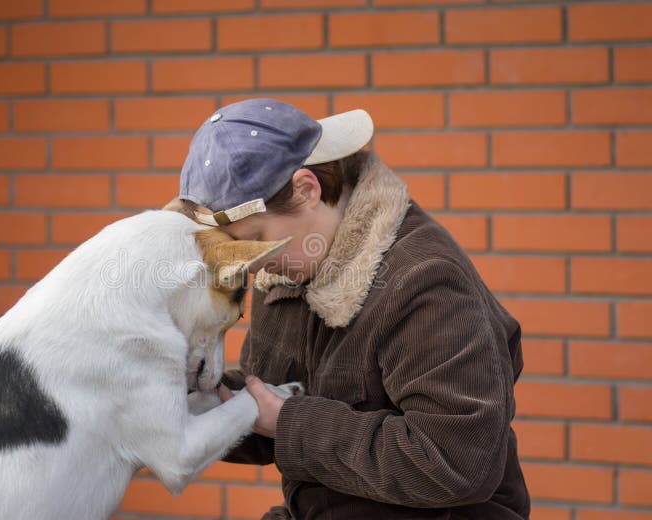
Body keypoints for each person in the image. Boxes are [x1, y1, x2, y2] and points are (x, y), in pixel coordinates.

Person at [173, 98, 530, 519]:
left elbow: (457, 462)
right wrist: (186, 400)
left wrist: (288, 422)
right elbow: (273, 406)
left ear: (307, 190)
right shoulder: (286, 270)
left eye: (254, 236)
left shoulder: (423, 280)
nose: (250, 260)